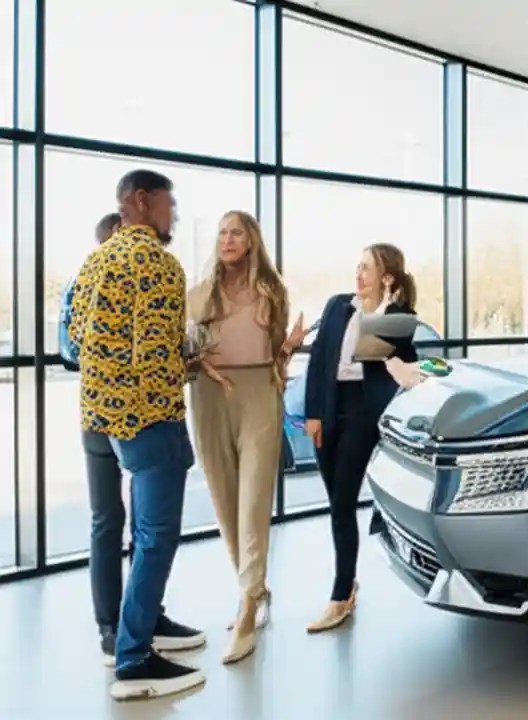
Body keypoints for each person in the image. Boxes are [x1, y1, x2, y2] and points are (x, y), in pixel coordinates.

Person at [68, 170, 205, 701]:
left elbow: (78, 339)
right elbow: (154, 355)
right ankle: (134, 657)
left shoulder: (95, 259)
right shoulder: (159, 264)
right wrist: (186, 372)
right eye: (169, 205)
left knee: (111, 524)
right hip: (145, 418)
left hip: (96, 416)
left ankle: (135, 628)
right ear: (142, 201)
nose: (172, 214)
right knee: (154, 536)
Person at [186, 210, 304, 664]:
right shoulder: (200, 294)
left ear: (252, 241)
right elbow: (180, 350)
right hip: (210, 397)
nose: (227, 239)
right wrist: (199, 363)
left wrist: (290, 346)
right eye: (221, 232)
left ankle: (249, 605)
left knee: (254, 500)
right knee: (225, 500)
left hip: (259, 395)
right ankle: (252, 587)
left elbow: (277, 358)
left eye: (236, 232)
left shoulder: (272, 293)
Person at [303, 243, 423, 633]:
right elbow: (320, 360)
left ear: (386, 276)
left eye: (367, 267)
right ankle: (347, 583)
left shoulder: (396, 316)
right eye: (358, 266)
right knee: (337, 502)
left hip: (363, 411)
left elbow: (407, 363)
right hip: (329, 406)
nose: (359, 273)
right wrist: (313, 414)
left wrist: (385, 312)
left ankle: (341, 594)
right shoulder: (338, 306)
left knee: (342, 501)